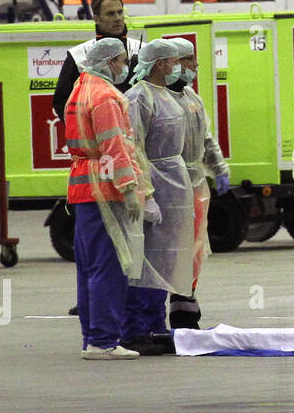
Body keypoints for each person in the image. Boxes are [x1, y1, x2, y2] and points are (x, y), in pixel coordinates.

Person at [64, 37, 151, 359]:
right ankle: (103, 339)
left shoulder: (80, 89)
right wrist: (129, 188)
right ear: (110, 62)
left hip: (82, 187)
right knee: (109, 265)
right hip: (104, 189)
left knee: (89, 266)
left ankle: (93, 337)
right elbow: (114, 144)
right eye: (122, 61)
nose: (125, 67)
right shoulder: (105, 97)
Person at [122, 39, 195, 355]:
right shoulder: (139, 97)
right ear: (160, 63)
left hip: (173, 180)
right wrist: (144, 194)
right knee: (145, 258)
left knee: (166, 257)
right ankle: (135, 328)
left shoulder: (169, 95)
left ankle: (156, 324)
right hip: (154, 180)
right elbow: (133, 148)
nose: (179, 66)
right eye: (174, 60)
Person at [166, 38, 231, 330]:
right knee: (170, 249)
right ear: (173, 63)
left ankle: (186, 306)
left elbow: (206, 138)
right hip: (169, 181)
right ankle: (166, 310)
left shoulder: (192, 98)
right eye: (190, 59)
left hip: (193, 180)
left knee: (192, 248)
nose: (196, 66)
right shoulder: (157, 99)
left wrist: (219, 168)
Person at [53, 0, 142, 122]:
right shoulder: (79, 55)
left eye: (120, 12)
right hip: (96, 137)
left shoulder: (141, 51)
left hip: (137, 136)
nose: (118, 18)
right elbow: (62, 102)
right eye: (110, 14)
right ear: (96, 18)